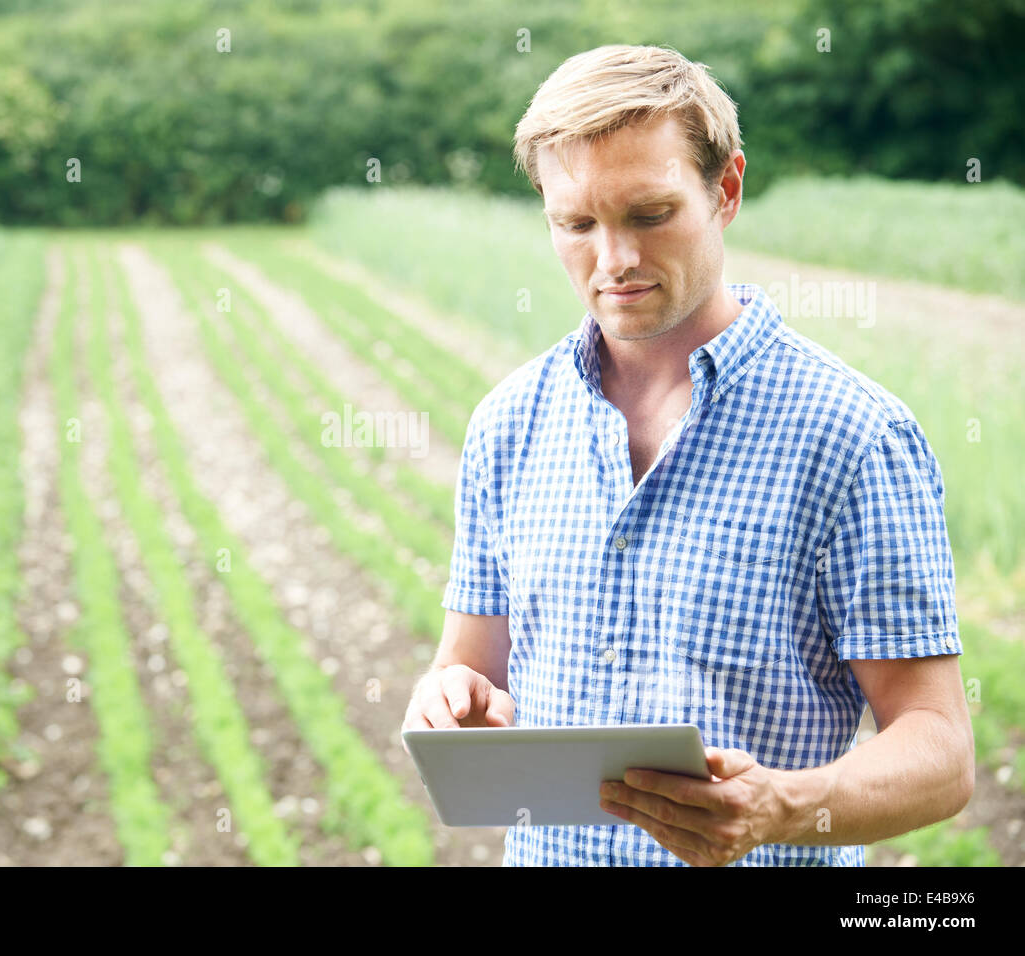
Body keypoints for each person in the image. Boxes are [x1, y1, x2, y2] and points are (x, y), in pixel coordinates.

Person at [401, 44, 974, 866]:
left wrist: (780, 805)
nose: (615, 261)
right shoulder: (509, 424)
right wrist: (447, 703)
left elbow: (941, 752)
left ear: (727, 189)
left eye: (649, 214)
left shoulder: (853, 436)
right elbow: (469, 669)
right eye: (576, 224)